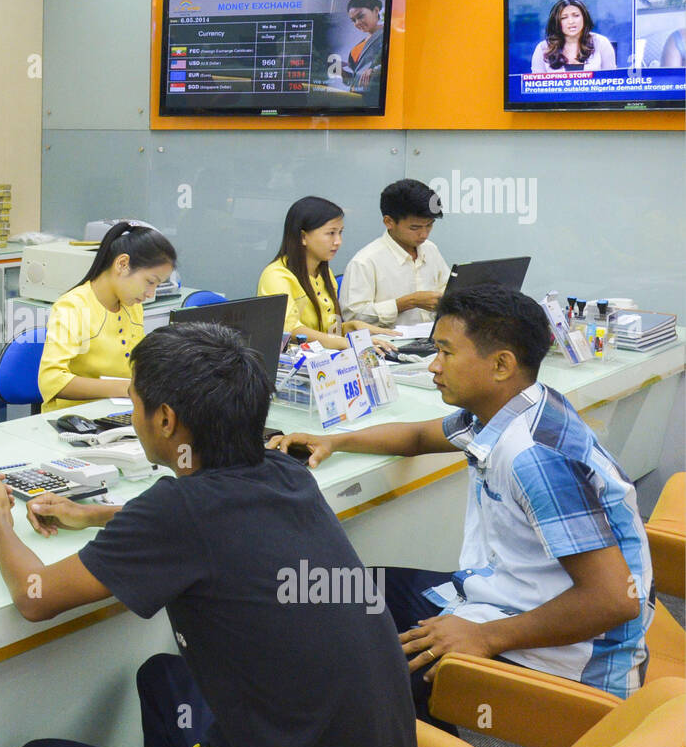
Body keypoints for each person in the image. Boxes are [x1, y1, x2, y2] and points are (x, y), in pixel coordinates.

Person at [0, 323, 417, 747]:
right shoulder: (285, 471)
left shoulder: (179, 510)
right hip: (366, 742)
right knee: (162, 679)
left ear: (166, 420)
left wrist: (0, 517)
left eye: (134, 404)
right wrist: (92, 514)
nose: (134, 417)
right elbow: (214, 526)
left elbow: (33, 596)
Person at [267, 285, 651, 722]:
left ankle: (425, 725)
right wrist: (334, 440)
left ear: (502, 364)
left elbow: (614, 601)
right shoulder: (509, 408)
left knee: (367, 684)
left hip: (572, 659)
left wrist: (484, 638)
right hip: (510, 599)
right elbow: (415, 437)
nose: (433, 366)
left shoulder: (536, 458)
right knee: (333, 591)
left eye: (446, 353)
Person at [37, 221, 176, 412]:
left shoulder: (131, 305)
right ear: (122, 264)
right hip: (75, 419)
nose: (151, 293)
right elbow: (51, 381)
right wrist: (128, 389)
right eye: (150, 282)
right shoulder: (73, 306)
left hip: (119, 412)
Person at [256, 195, 397, 352]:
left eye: (340, 232)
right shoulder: (277, 276)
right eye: (331, 233)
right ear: (303, 237)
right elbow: (291, 331)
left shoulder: (324, 273)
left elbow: (325, 332)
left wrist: (350, 327)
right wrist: (348, 343)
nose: (338, 241)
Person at [341, 179, 451, 328]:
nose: (424, 234)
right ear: (389, 222)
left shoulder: (430, 249)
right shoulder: (365, 261)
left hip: (433, 338)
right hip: (387, 344)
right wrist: (406, 303)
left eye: (429, 225)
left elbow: (447, 288)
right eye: (415, 228)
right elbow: (352, 317)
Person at [530, 0, 617, 73]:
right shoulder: (543, 49)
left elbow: (612, 80)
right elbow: (535, 88)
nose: (571, 21)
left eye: (576, 15)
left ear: (584, 17)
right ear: (556, 22)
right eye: (564, 18)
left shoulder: (601, 43)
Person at [343, 0, 385, 95]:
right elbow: (355, 80)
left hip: (371, 98)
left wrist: (374, 70)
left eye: (360, 16)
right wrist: (341, 72)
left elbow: (392, 62)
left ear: (375, 11)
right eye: (353, 20)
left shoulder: (387, 33)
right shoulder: (357, 47)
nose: (357, 23)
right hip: (355, 98)